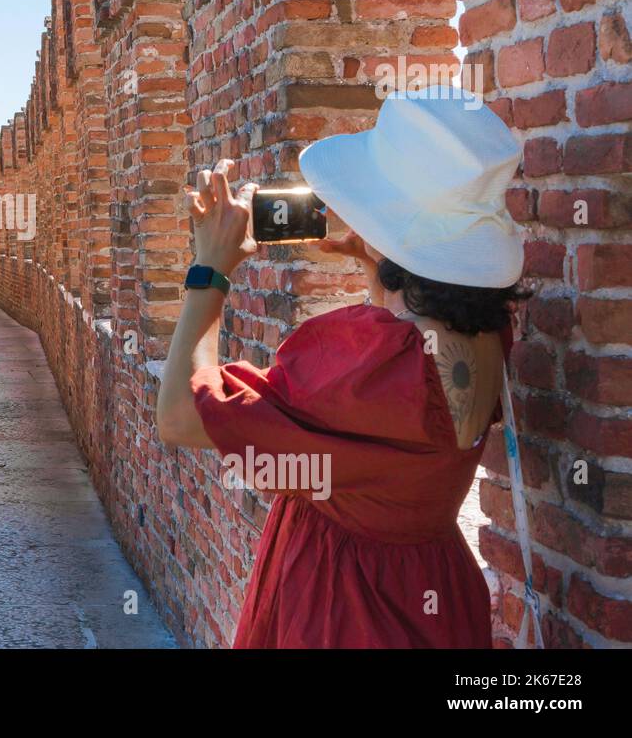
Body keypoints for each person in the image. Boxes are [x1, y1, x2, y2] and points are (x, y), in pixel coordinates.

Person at [155, 87, 529, 648]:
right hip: (434, 593)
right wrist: (380, 252)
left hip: (345, 609)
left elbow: (181, 415)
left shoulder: (374, 362)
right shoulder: (487, 332)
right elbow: (422, 331)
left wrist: (209, 268)